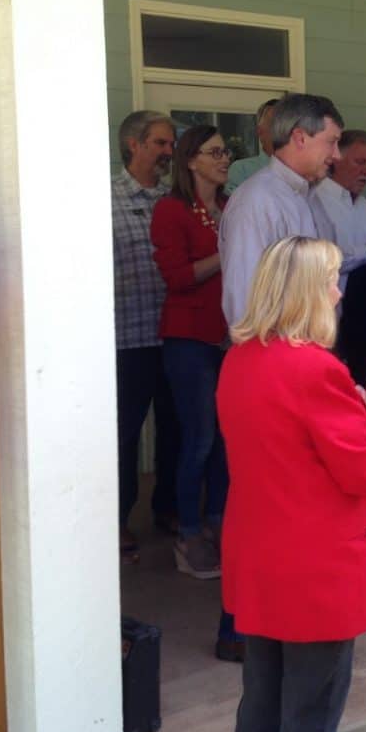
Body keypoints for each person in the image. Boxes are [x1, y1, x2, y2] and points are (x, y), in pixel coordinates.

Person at [217, 236, 366, 732]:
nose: (339, 294)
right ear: (307, 293)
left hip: (260, 557)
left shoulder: (240, 359)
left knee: (261, 703)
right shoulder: (316, 369)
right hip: (314, 569)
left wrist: (358, 409)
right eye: (330, 282)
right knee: (310, 716)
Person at [150, 127, 230, 581]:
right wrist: (226, 249)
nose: (224, 159)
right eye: (214, 152)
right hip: (189, 338)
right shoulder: (172, 209)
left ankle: (218, 520)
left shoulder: (229, 206)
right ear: (190, 160)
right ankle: (189, 530)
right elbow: (177, 277)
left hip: (227, 335)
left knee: (225, 437)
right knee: (198, 436)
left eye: (226, 151)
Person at [109, 111, 180, 562]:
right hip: (125, 338)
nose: (169, 151)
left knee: (176, 427)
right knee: (124, 435)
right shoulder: (105, 198)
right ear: (133, 145)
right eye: (159, 143)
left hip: (173, 333)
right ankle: (115, 518)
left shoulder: (174, 200)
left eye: (171, 143)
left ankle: (168, 506)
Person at [219, 93, 342, 326]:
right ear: (300, 138)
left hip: (306, 350)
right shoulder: (257, 201)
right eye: (331, 141)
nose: (337, 155)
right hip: (275, 355)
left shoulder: (310, 196)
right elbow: (243, 303)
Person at [313, 129, 366, 293]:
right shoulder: (315, 202)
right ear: (336, 159)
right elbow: (317, 263)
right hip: (324, 311)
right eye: (360, 162)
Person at [224, 98, 279, 194]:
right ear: (259, 131)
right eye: (274, 123)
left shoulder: (303, 170)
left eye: (287, 124)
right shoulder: (241, 170)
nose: (283, 130)